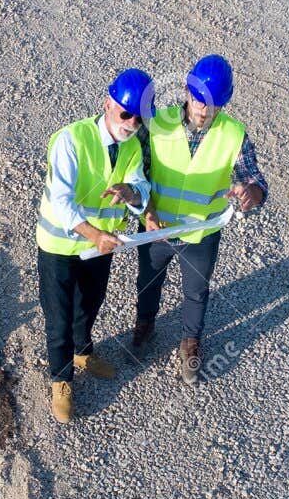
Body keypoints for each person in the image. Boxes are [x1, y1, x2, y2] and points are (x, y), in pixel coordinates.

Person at [133, 55, 267, 384]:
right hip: (157, 229)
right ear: (188, 92)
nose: (204, 110)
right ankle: (145, 326)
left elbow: (256, 181)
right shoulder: (158, 124)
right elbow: (137, 172)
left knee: (196, 292)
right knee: (148, 282)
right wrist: (144, 210)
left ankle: (190, 343)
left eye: (214, 104)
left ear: (225, 103)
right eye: (198, 100)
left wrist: (253, 194)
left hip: (201, 235)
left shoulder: (234, 134)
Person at [36, 69, 153, 423]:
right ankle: (61, 378)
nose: (131, 123)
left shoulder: (132, 146)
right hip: (61, 244)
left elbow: (141, 186)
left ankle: (83, 351)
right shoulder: (71, 140)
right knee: (58, 316)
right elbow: (62, 202)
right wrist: (95, 235)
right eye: (125, 114)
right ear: (107, 104)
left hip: (100, 246)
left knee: (90, 302)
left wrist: (131, 192)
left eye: (139, 117)